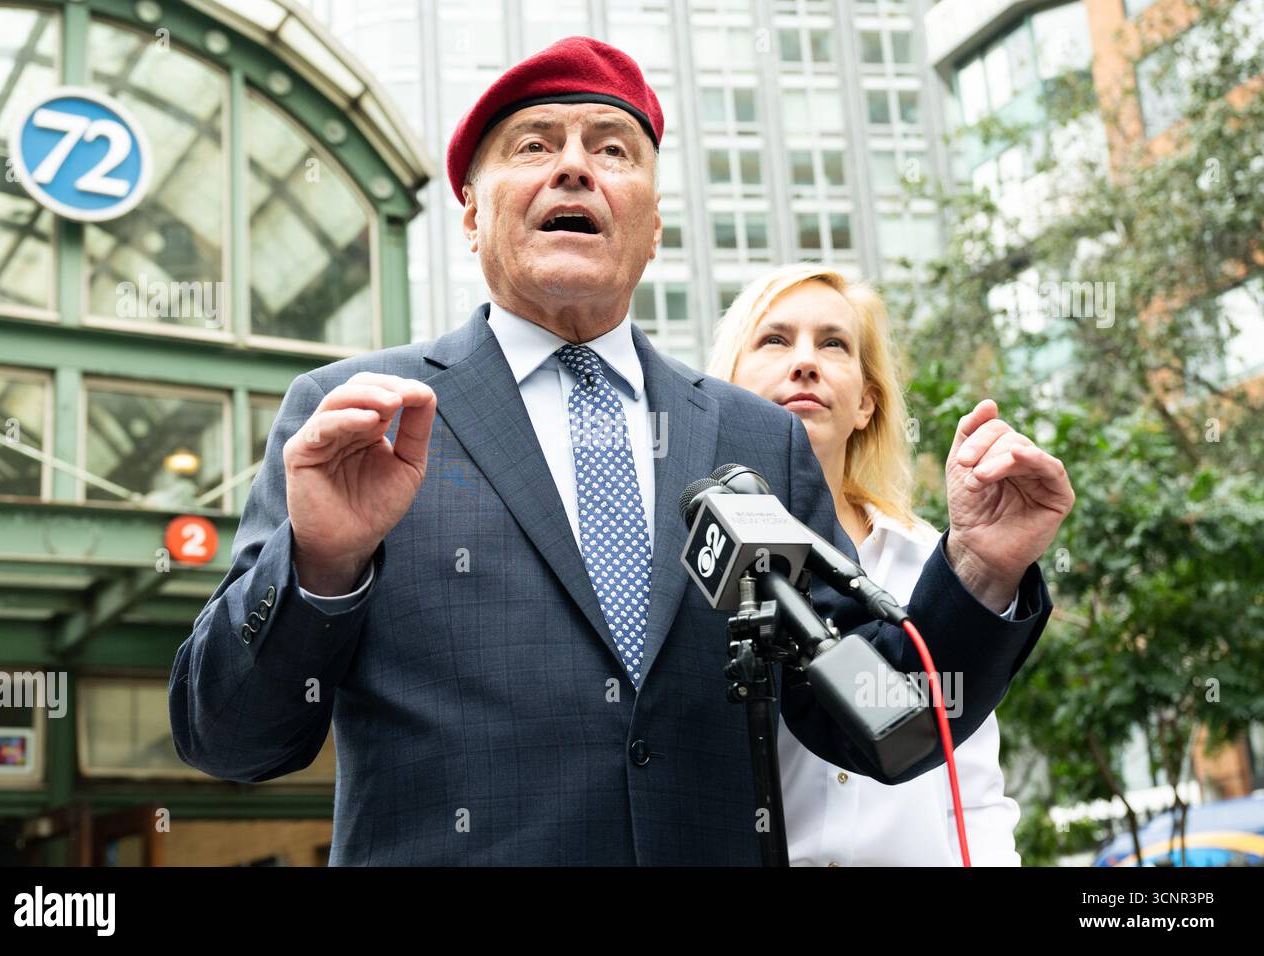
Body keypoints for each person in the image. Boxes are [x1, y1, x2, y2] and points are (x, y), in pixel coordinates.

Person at [167, 37, 1073, 865]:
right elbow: (232, 740)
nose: (573, 167)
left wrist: (981, 571)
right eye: (534, 145)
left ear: (652, 227)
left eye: (612, 149)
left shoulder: (756, 437)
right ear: (474, 214)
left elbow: (880, 725)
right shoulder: (359, 419)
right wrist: (321, 564)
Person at [710, 263, 1022, 866]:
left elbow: (975, 795)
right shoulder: (694, 566)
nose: (805, 362)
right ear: (725, 388)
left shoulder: (941, 559)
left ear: (866, 403)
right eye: (774, 340)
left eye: (834, 343)